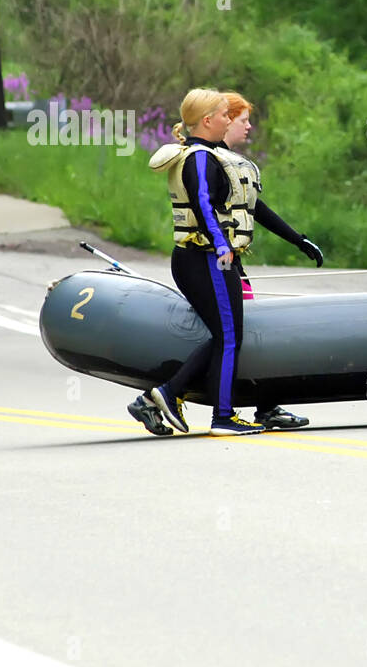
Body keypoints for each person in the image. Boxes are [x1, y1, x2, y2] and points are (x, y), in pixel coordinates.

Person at [124, 88, 321, 437]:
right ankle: (220, 415)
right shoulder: (200, 157)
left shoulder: (216, 158)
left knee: (227, 336)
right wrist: (219, 245)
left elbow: (252, 208)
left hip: (210, 259)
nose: (230, 120)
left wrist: (297, 239)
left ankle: (170, 397)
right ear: (207, 121)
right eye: (225, 115)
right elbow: (201, 201)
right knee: (229, 337)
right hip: (205, 258)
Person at [218, 90, 321, 431]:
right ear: (224, 120)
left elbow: (255, 209)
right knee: (237, 335)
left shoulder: (231, 163)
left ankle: (265, 405)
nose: (249, 127)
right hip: (215, 263)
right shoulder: (210, 162)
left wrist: (298, 239)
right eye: (243, 120)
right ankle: (243, 406)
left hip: (234, 263)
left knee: (250, 331)